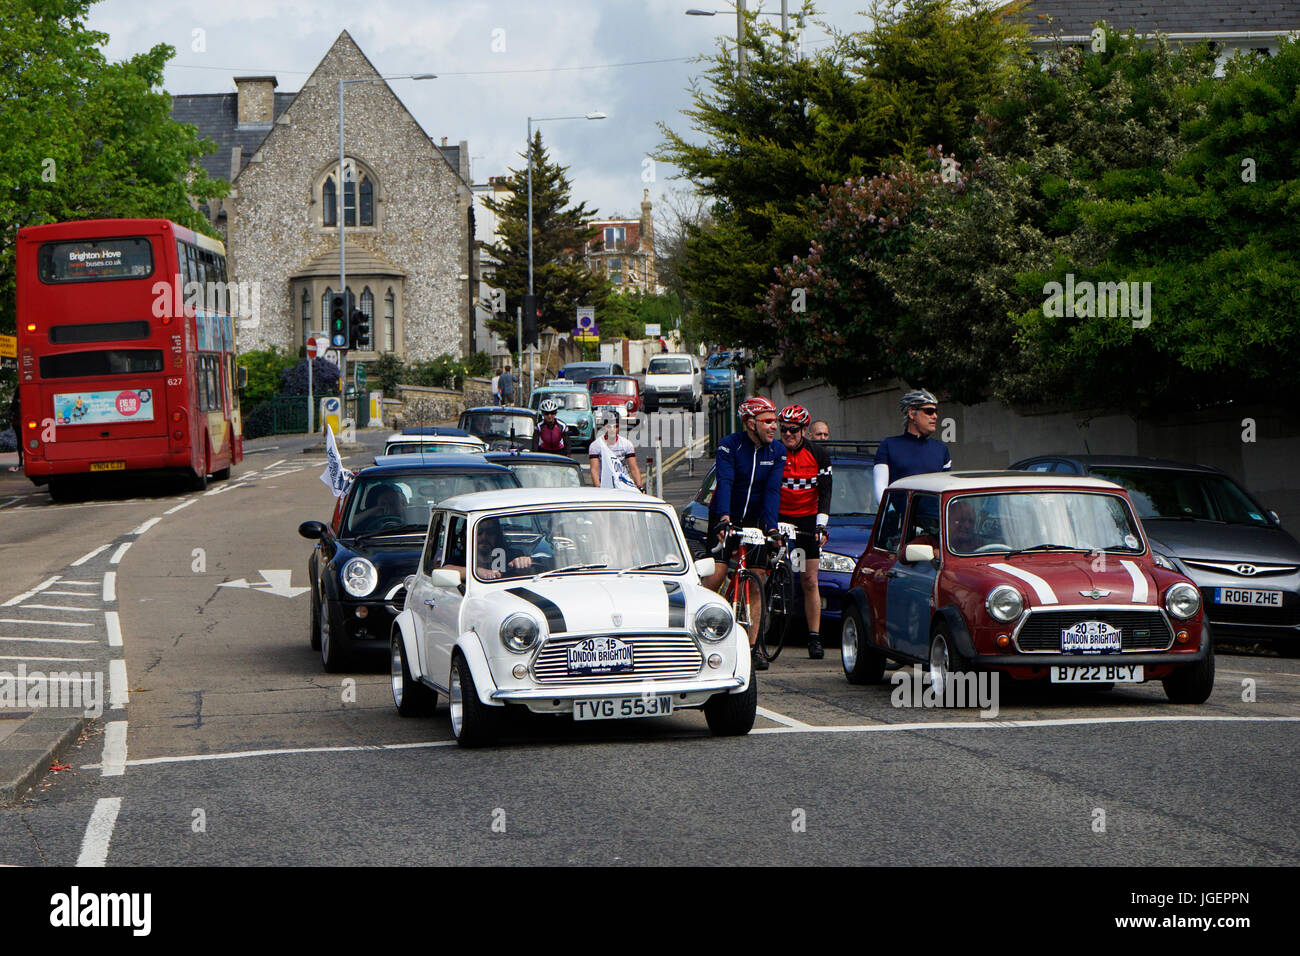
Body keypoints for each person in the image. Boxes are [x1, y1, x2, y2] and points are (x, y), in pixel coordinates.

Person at [701, 396, 786, 671]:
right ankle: (699, 630)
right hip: (726, 514)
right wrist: (724, 519)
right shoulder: (730, 445)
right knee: (715, 574)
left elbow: (773, 492)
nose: (774, 427)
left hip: (757, 519)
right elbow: (724, 482)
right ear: (751, 423)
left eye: (775, 421)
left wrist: (771, 528)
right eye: (768, 422)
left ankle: (753, 646)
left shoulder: (777, 452)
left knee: (758, 578)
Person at [776, 404, 832, 659]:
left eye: (793, 430)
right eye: (783, 429)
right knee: (765, 573)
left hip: (807, 520)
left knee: (809, 580)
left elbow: (825, 493)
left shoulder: (818, 454)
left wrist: (821, 525)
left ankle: (813, 637)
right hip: (778, 517)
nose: (787, 434)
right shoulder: (775, 452)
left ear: (804, 430)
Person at [873, 388, 951, 503]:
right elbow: (880, 488)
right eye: (929, 411)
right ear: (912, 413)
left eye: (936, 411)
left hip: (933, 519)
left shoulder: (941, 449)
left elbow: (947, 489)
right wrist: (891, 514)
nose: (934, 416)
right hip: (900, 518)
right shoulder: (889, 445)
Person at [588, 418, 643, 490]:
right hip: (605, 483)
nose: (612, 429)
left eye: (615, 426)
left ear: (619, 427)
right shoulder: (596, 445)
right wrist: (598, 487)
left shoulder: (626, 444)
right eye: (609, 426)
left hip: (622, 482)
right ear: (604, 427)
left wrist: (640, 486)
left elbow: (633, 468)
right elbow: (594, 470)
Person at [8, 387, 21, 472]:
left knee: (19, 441)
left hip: (17, 423)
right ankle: (21, 460)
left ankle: (21, 460)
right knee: (20, 441)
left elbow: (11, 410)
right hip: (21, 423)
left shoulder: (16, 401)